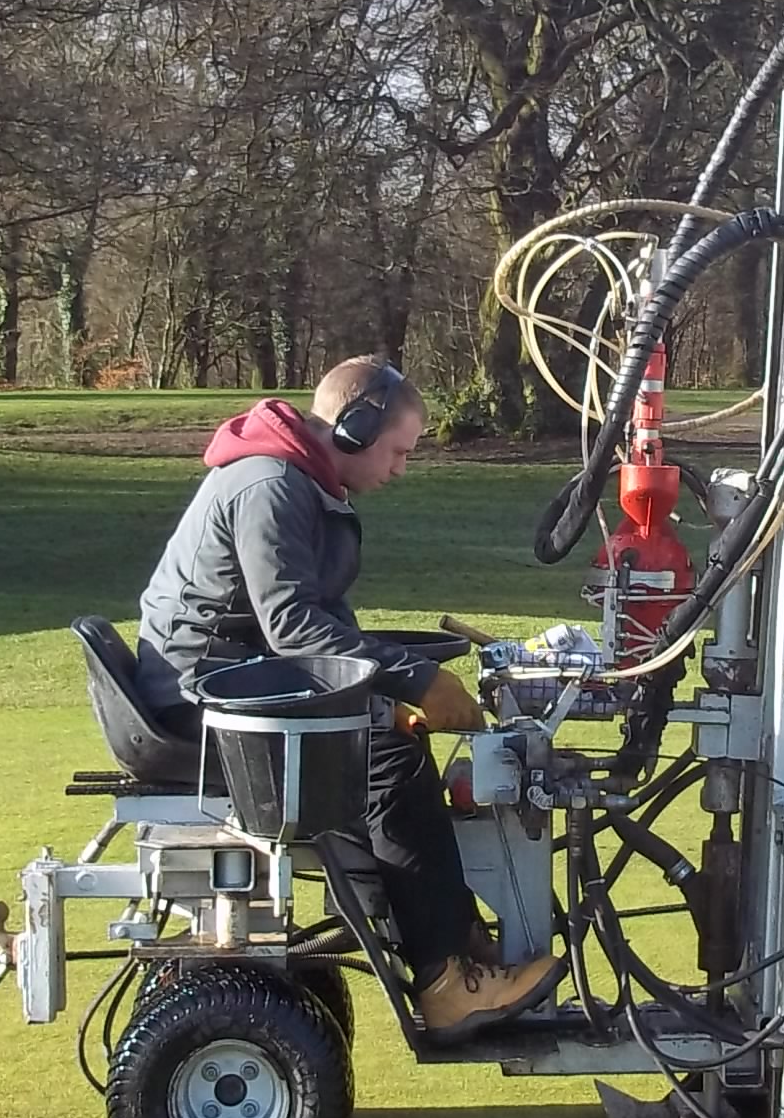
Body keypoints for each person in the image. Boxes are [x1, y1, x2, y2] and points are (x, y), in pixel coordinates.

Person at [135, 355, 563, 1040]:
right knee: (386, 758)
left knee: (390, 732)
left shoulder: (291, 479)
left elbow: (310, 625)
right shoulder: (271, 486)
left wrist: (393, 682)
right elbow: (295, 626)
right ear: (356, 429)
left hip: (234, 684)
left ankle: (453, 934)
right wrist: (415, 680)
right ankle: (447, 983)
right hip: (201, 701)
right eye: (399, 451)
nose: (400, 468)